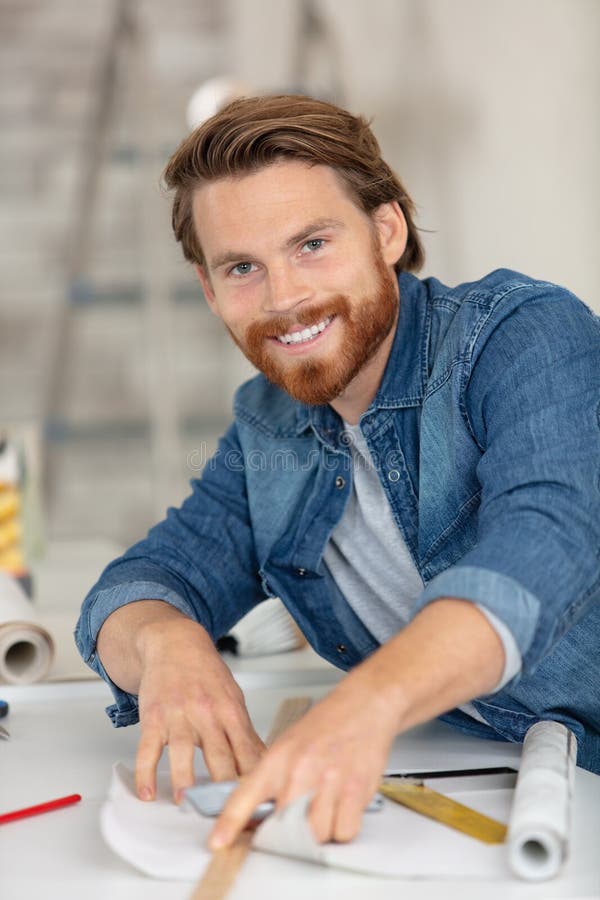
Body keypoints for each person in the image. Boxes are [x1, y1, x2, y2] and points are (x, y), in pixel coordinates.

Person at [75, 94, 600, 851]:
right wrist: (167, 644)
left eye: (312, 244)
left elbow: (549, 544)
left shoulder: (521, 337)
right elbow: (143, 581)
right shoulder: (269, 425)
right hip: (523, 794)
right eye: (242, 267)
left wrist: (370, 702)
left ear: (387, 231)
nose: (284, 298)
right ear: (209, 290)